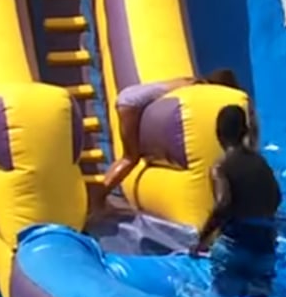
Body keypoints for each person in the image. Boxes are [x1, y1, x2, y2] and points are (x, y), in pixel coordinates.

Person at [95, 68, 246, 201]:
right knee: (130, 158)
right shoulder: (198, 88)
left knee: (129, 157)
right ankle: (99, 197)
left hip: (129, 96)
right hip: (132, 103)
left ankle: (99, 195)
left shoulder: (190, 81)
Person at [191, 104, 281, 297]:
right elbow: (276, 198)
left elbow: (223, 202)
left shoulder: (221, 166)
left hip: (235, 245)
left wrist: (202, 239)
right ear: (245, 131)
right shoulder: (261, 163)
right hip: (264, 247)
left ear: (218, 134)